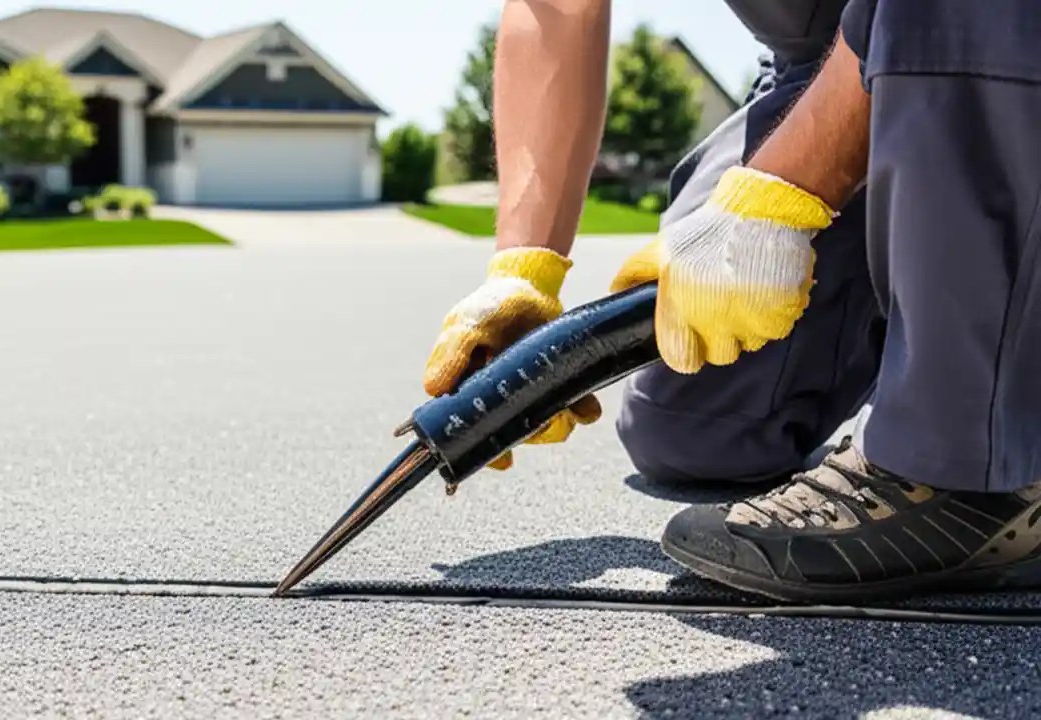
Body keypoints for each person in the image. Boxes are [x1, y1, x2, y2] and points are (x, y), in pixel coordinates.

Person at [423, 0, 1041, 602]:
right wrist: (523, 270)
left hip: (978, 32)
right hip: (834, 67)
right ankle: (964, 317)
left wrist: (777, 196)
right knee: (698, 423)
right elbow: (554, 9)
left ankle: (970, 471)